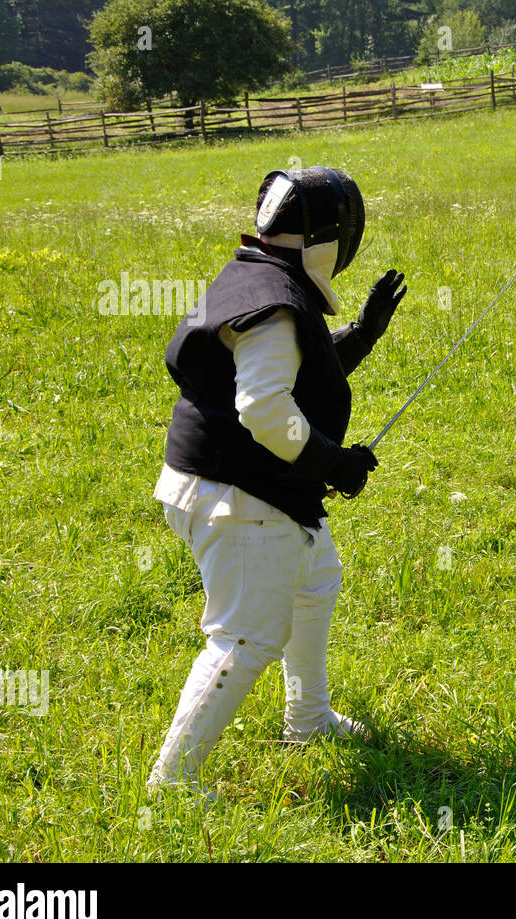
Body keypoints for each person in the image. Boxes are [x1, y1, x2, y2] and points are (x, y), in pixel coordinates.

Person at [148, 166, 407, 795]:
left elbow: (290, 374)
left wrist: (361, 336)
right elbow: (264, 408)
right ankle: (173, 782)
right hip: (237, 499)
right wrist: (333, 464)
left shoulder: (258, 277)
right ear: (328, 237)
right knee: (246, 637)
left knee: (315, 578)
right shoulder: (275, 304)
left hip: (222, 484)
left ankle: (308, 718)